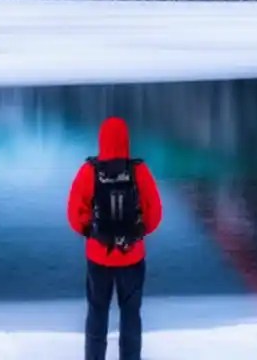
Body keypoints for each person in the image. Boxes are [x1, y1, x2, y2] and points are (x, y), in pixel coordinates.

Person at [67, 116, 163, 360]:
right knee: (131, 315)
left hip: (99, 258)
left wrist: (92, 234)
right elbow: (155, 212)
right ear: (126, 141)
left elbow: (74, 214)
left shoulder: (89, 171)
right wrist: (137, 234)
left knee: (97, 313)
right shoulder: (139, 171)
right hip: (132, 257)